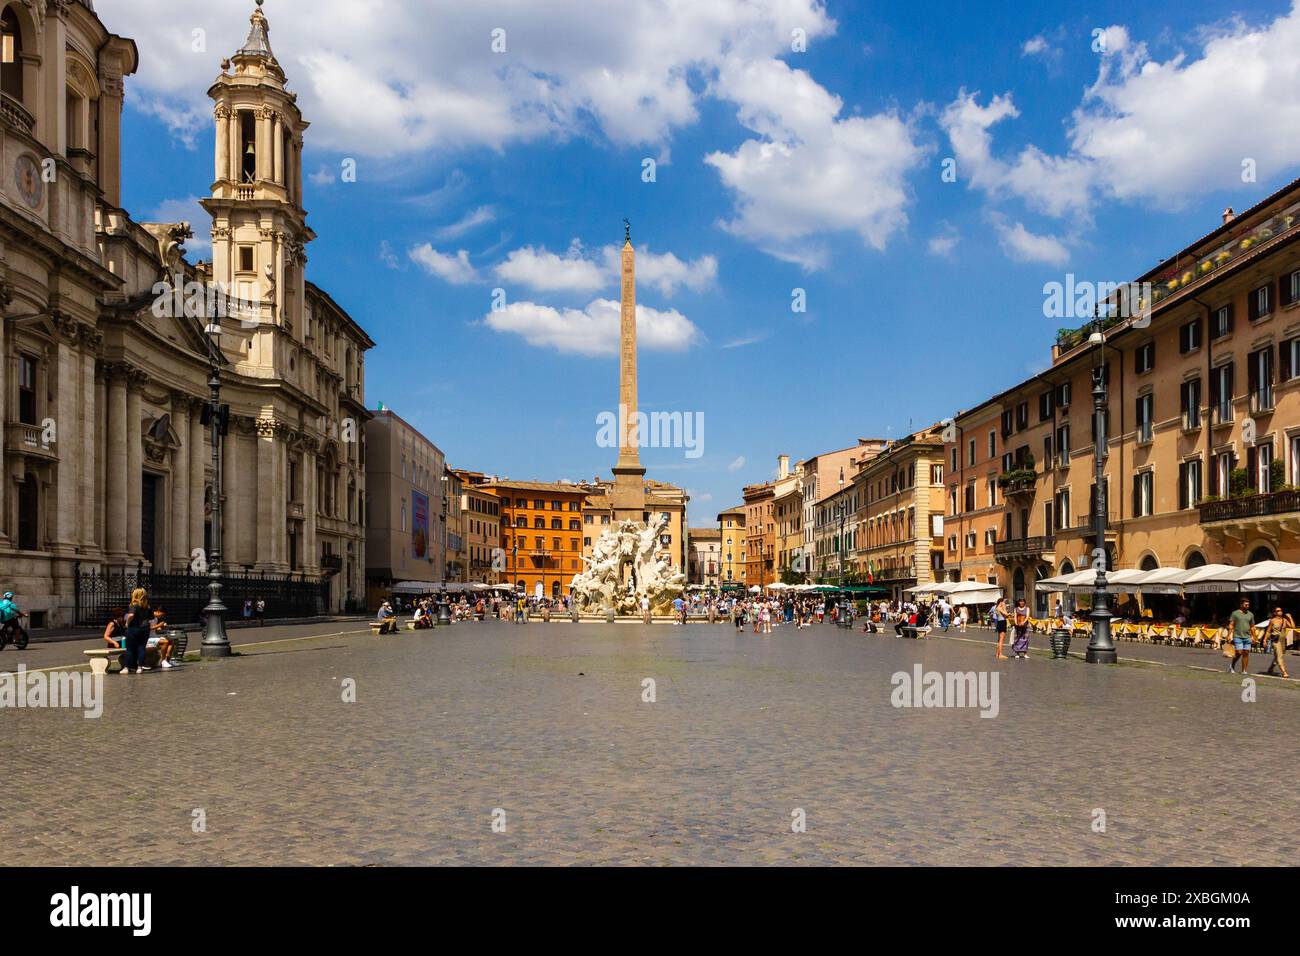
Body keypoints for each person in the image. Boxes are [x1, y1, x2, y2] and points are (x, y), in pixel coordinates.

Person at [123, 588, 152, 674]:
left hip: (134, 628)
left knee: (130, 649)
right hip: (145, 629)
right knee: (141, 647)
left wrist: (127, 623)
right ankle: (140, 667)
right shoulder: (147, 606)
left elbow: (131, 615)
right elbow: (151, 617)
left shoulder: (134, 604)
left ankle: (127, 667)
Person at [1263, 606, 1292, 679]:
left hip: (1282, 640)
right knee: (1280, 656)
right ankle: (1284, 672)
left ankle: (1270, 668)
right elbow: (1268, 631)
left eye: (1281, 610)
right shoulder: (1272, 620)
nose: (1280, 611)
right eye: (1278, 610)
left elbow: (1292, 626)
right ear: (1275, 613)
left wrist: (1290, 617)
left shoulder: (1284, 620)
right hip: (1275, 640)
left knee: (1277, 656)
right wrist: (1264, 640)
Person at [1227, 599, 1255, 674]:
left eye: (1248, 605)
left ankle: (1244, 670)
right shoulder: (1235, 613)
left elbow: (1252, 626)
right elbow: (1231, 624)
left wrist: (1254, 637)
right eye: (1246, 605)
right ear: (1241, 605)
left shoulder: (1250, 614)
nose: (1247, 606)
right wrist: (1229, 635)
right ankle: (1232, 666)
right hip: (1237, 636)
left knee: (1246, 653)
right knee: (1239, 652)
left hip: (1248, 636)